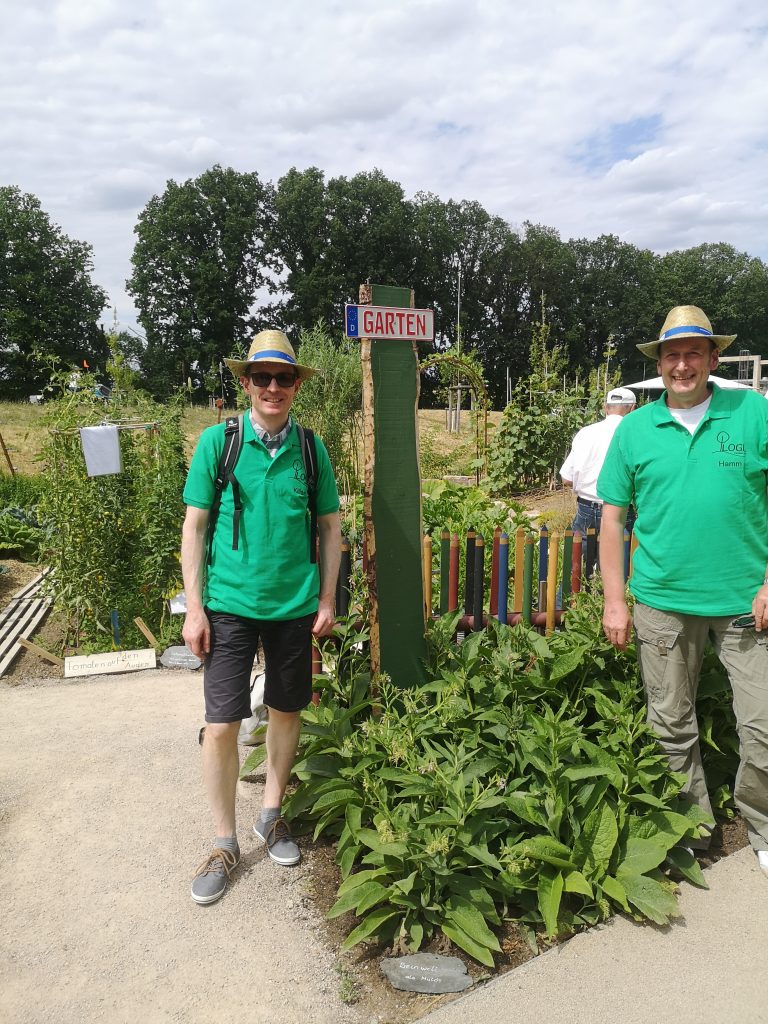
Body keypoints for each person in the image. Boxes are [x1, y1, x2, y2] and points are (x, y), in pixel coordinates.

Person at [597, 304, 768, 877]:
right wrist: (615, 601)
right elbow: (614, 520)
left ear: (713, 358)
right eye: (673, 354)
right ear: (660, 362)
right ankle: (690, 830)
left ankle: (763, 827)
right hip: (663, 602)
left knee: (762, 726)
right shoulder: (636, 430)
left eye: (694, 352)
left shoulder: (752, 412)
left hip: (749, 605)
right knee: (671, 725)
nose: (683, 364)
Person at [181, 329, 342, 905]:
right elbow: (195, 527)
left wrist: (327, 600)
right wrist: (193, 608)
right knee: (221, 725)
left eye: (284, 377)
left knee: (286, 708)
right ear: (245, 383)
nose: (273, 387)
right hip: (227, 607)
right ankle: (224, 841)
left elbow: (330, 530)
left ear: (297, 385)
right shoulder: (216, 443)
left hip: (294, 606)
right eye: (262, 377)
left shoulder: (310, 448)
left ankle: (270, 813)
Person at [559, 386, 637, 537]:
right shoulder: (635, 436)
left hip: (586, 508)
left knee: (580, 559)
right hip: (620, 509)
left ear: (605, 407)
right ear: (633, 409)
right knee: (618, 559)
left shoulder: (585, 433)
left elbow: (566, 478)